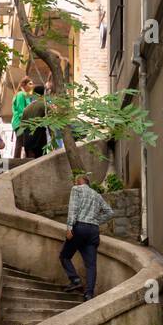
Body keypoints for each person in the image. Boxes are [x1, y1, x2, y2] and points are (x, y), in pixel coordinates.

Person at [60, 173, 114, 301]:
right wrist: (95, 220)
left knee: (64, 256)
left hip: (80, 228)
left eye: (75, 181)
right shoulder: (97, 195)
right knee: (91, 265)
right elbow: (110, 212)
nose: (74, 184)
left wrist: (69, 227)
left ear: (79, 181)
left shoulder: (76, 189)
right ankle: (89, 294)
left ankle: (75, 280)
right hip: (93, 231)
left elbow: (73, 208)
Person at [17, 85, 51, 159]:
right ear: (44, 94)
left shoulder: (26, 108)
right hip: (39, 140)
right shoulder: (45, 105)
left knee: (29, 163)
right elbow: (51, 124)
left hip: (27, 140)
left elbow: (22, 126)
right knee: (40, 162)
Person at [10, 77, 33, 160]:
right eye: (30, 84)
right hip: (20, 122)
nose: (32, 86)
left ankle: (19, 158)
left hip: (21, 122)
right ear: (24, 85)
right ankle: (17, 160)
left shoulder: (23, 95)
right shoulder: (21, 95)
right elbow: (21, 111)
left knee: (22, 142)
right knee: (21, 142)